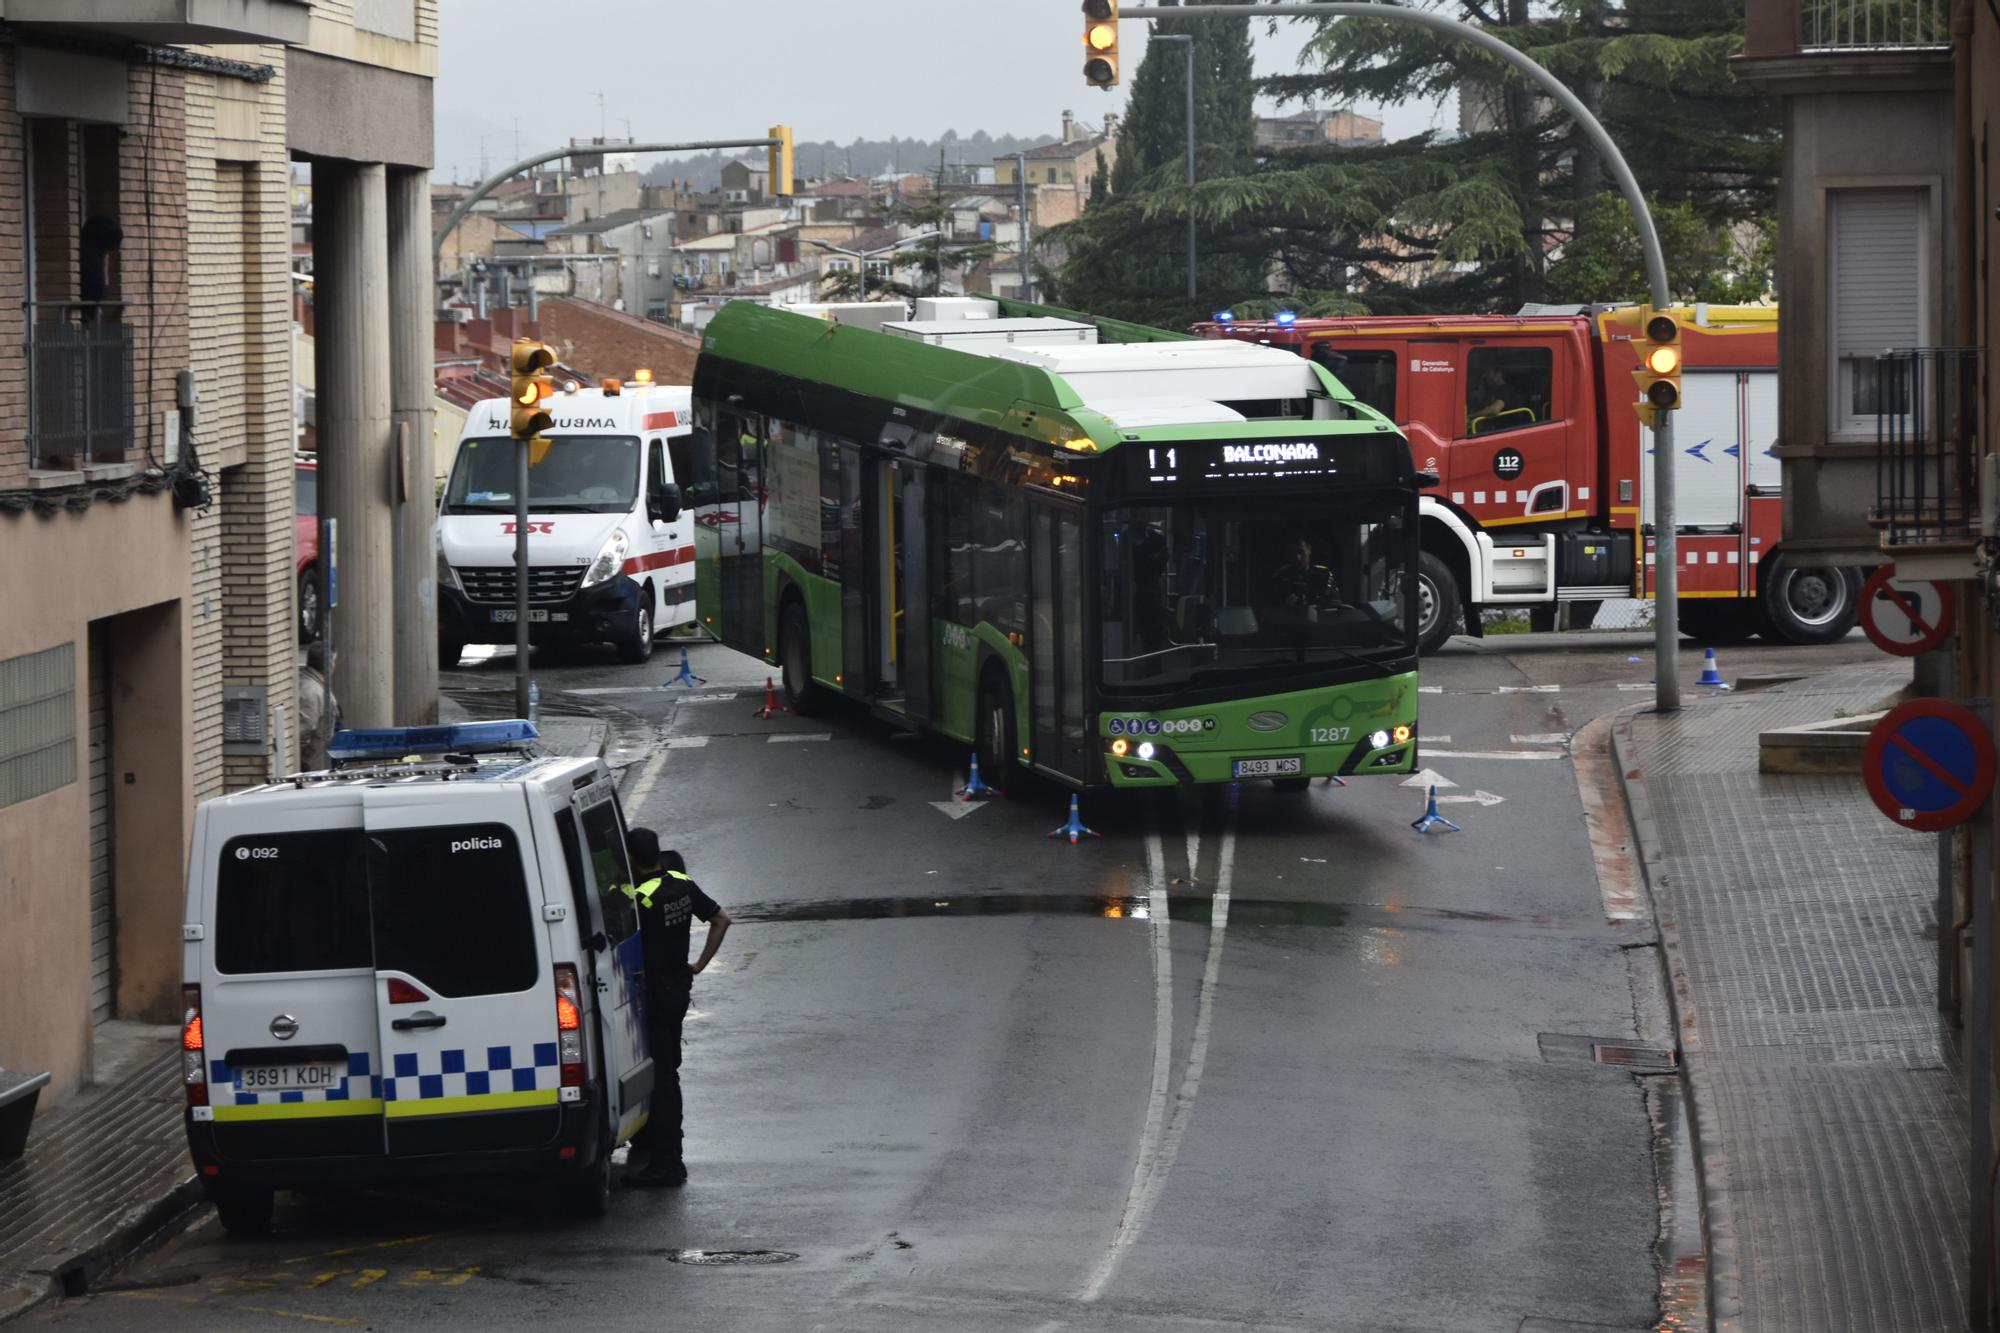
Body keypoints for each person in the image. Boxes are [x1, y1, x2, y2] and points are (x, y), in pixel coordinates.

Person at [620, 828, 731, 1188]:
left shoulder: (638, 898)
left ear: (632, 858)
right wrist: (697, 965)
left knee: (664, 1078)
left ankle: (668, 1163)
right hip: (679, 988)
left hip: (653, 993)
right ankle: (660, 1148)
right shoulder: (682, 882)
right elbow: (721, 919)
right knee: (669, 1072)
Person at [1266, 535, 1339, 613]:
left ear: (1309, 550)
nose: (1298, 557)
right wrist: (1283, 606)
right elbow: (1270, 609)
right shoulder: (1281, 576)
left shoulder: (1324, 575)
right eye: (1292, 553)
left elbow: (1336, 605)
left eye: (1301, 552)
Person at [297, 642, 339, 771]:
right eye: (334, 661)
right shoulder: (312, 692)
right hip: (314, 765)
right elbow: (304, 730)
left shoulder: (313, 683)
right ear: (329, 665)